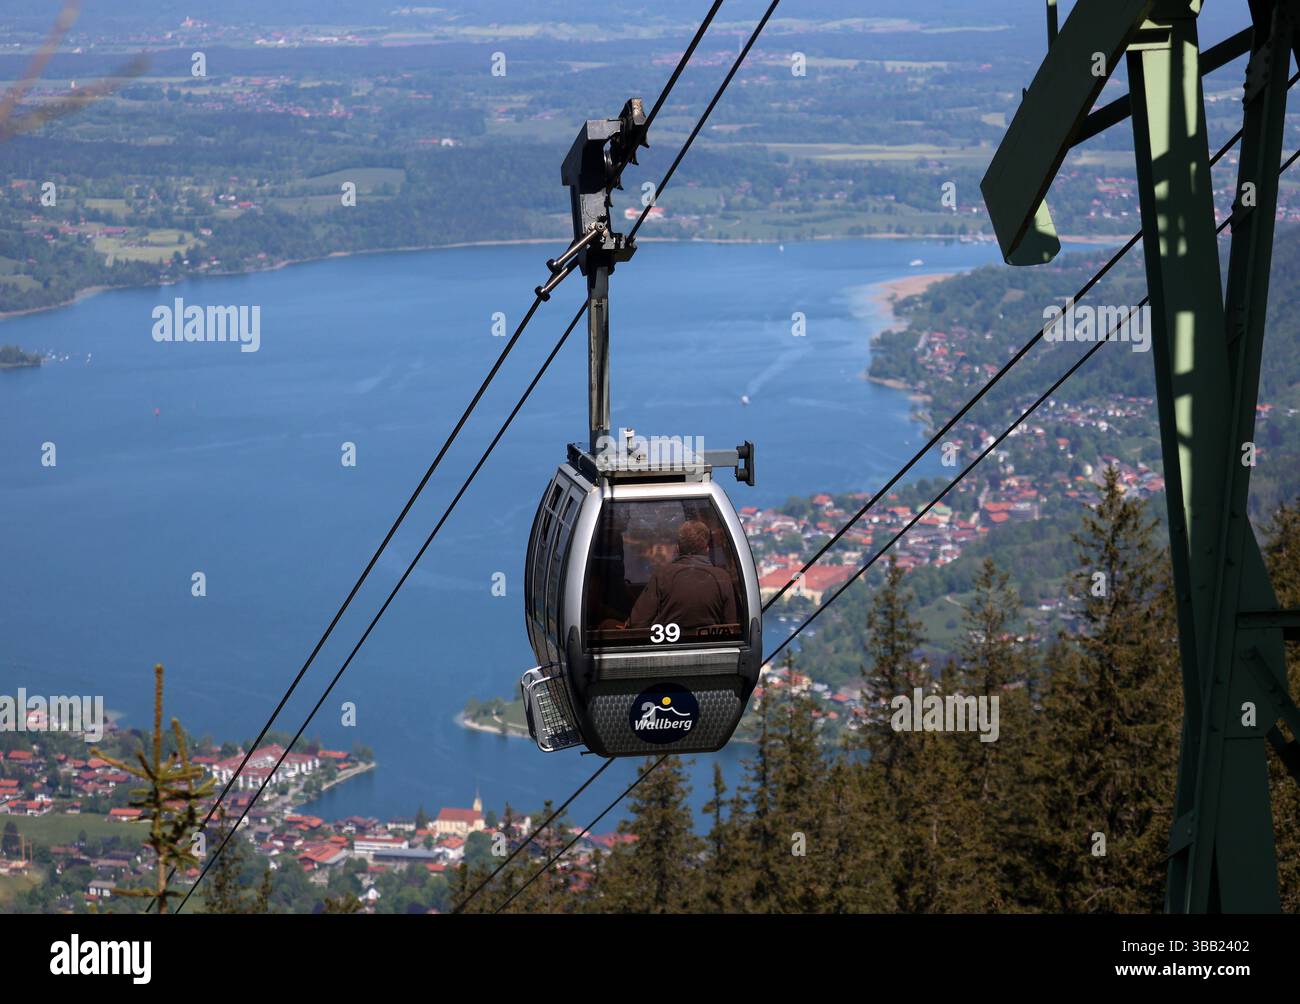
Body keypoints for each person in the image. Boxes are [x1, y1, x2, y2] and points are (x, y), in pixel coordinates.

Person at [627, 519, 738, 631]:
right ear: (707, 549)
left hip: (669, 646)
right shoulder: (722, 578)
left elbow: (638, 623)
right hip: (713, 646)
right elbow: (731, 626)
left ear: (678, 548)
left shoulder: (662, 575)